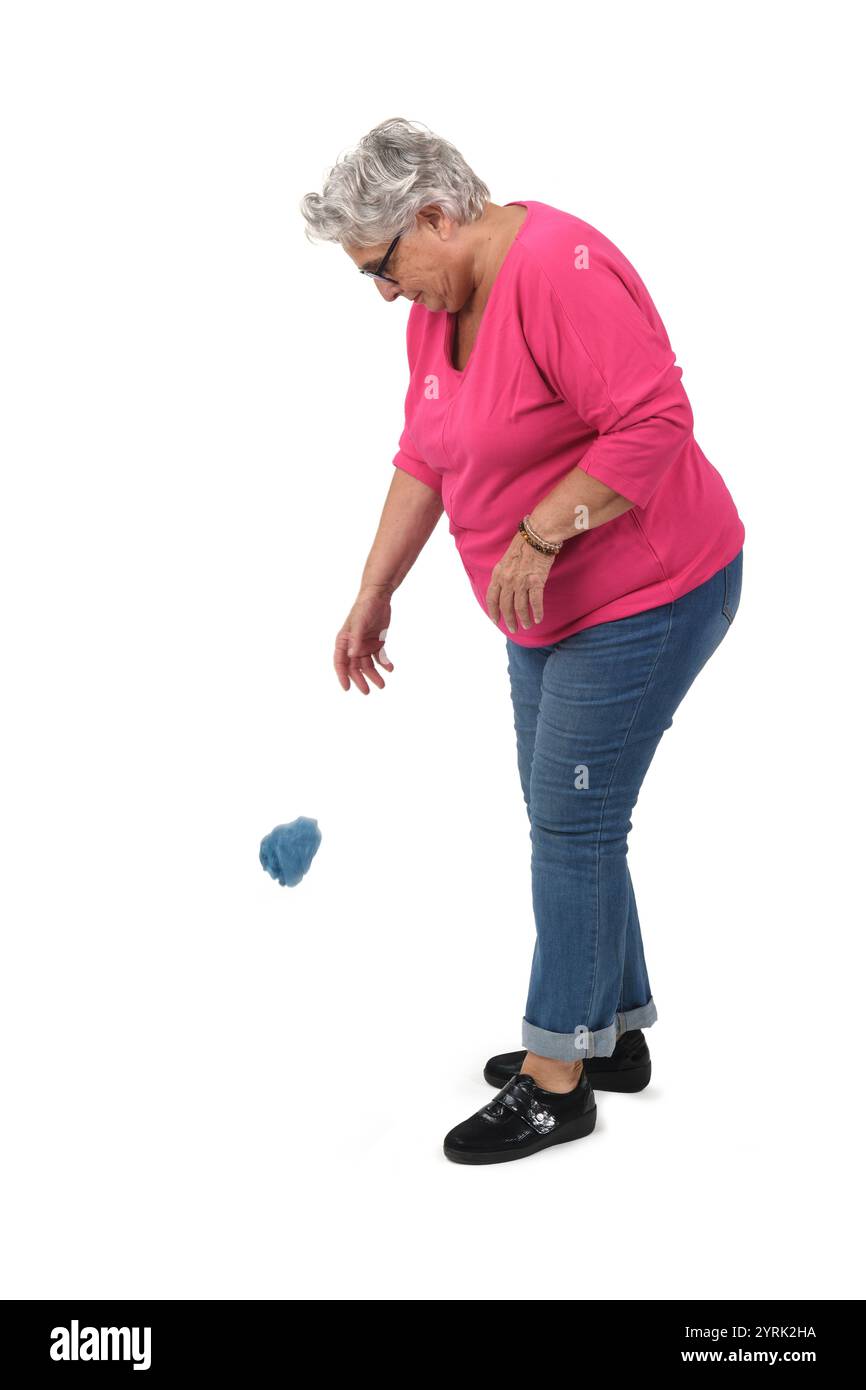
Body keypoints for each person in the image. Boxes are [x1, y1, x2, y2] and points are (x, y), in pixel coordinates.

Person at [300, 117, 745, 1165]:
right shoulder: (437, 305)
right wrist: (374, 590)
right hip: (546, 609)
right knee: (573, 814)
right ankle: (612, 1035)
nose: (382, 293)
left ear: (433, 217)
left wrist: (541, 532)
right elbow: (426, 451)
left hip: (648, 591)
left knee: (570, 823)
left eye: (382, 267)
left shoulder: (556, 271)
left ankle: (557, 1082)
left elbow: (654, 420)